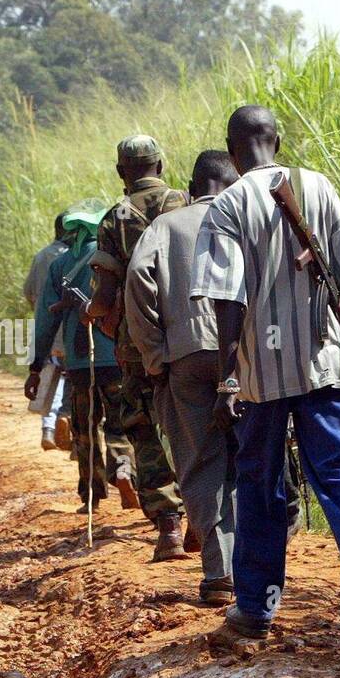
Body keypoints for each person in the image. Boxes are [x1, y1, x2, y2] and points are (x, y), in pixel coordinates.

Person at [193, 105, 340, 645]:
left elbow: (227, 301)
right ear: (277, 141)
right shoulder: (319, 187)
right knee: (336, 472)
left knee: (261, 486)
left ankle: (254, 612)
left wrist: (225, 381)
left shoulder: (228, 206)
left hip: (262, 377)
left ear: (232, 149)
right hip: (328, 363)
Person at [125, 149, 240, 605]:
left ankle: (218, 575)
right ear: (233, 185)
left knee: (200, 462)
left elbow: (138, 280)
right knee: (253, 457)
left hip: (187, 356)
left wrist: (156, 354)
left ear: (191, 188)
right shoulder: (248, 219)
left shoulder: (165, 226)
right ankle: (261, 567)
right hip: (248, 358)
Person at [87, 135, 190, 563]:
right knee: (193, 422)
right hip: (194, 336)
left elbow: (106, 294)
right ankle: (205, 514)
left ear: (121, 173)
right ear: (161, 166)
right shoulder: (187, 202)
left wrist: (93, 312)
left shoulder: (115, 219)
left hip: (136, 344)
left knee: (143, 425)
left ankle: (169, 527)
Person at [25, 202, 135, 511]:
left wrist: (36, 366)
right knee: (118, 422)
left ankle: (91, 495)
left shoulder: (60, 266)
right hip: (115, 357)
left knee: (85, 429)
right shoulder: (110, 258)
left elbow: (46, 322)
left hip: (78, 361)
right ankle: (123, 468)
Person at [25, 214, 72, 453]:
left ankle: (48, 429)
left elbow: (30, 292)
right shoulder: (75, 257)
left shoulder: (41, 255)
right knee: (71, 379)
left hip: (48, 331)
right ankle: (69, 423)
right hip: (72, 330)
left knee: (52, 377)